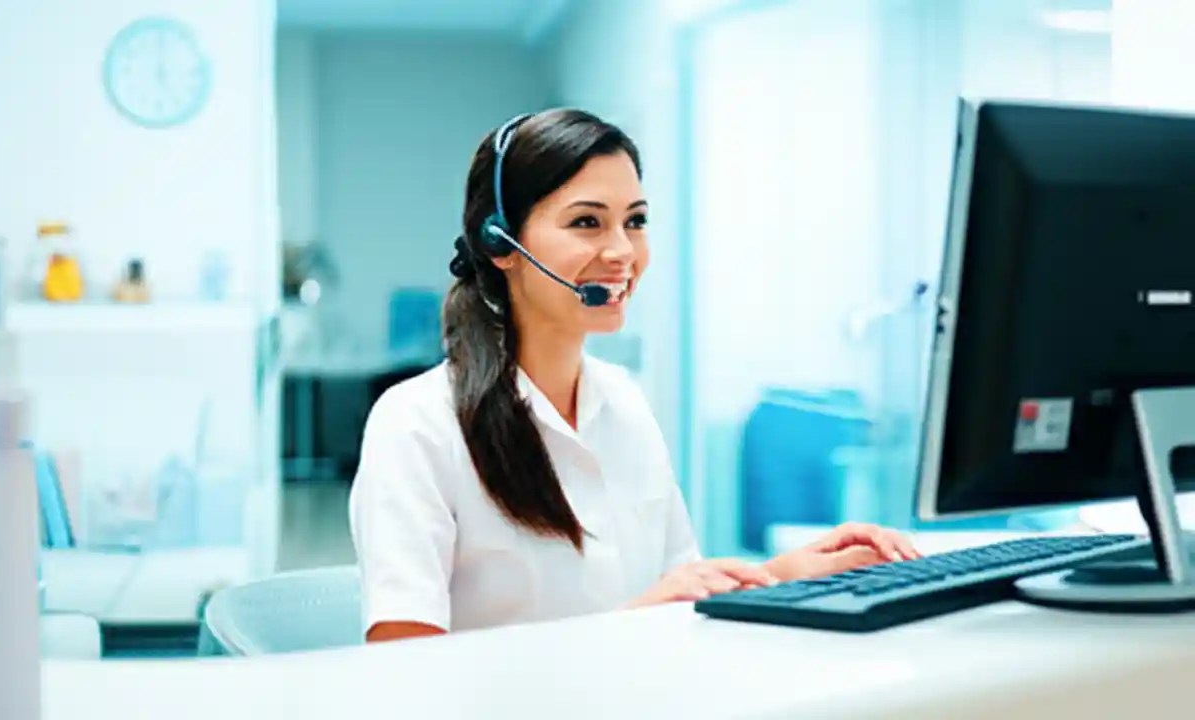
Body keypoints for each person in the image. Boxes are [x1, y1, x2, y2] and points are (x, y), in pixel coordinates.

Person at [349, 108, 919, 643]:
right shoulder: (417, 425)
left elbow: (677, 595)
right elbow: (410, 673)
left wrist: (782, 575)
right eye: (587, 222)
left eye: (635, 221)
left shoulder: (623, 401)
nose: (623, 251)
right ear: (502, 245)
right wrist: (631, 626)